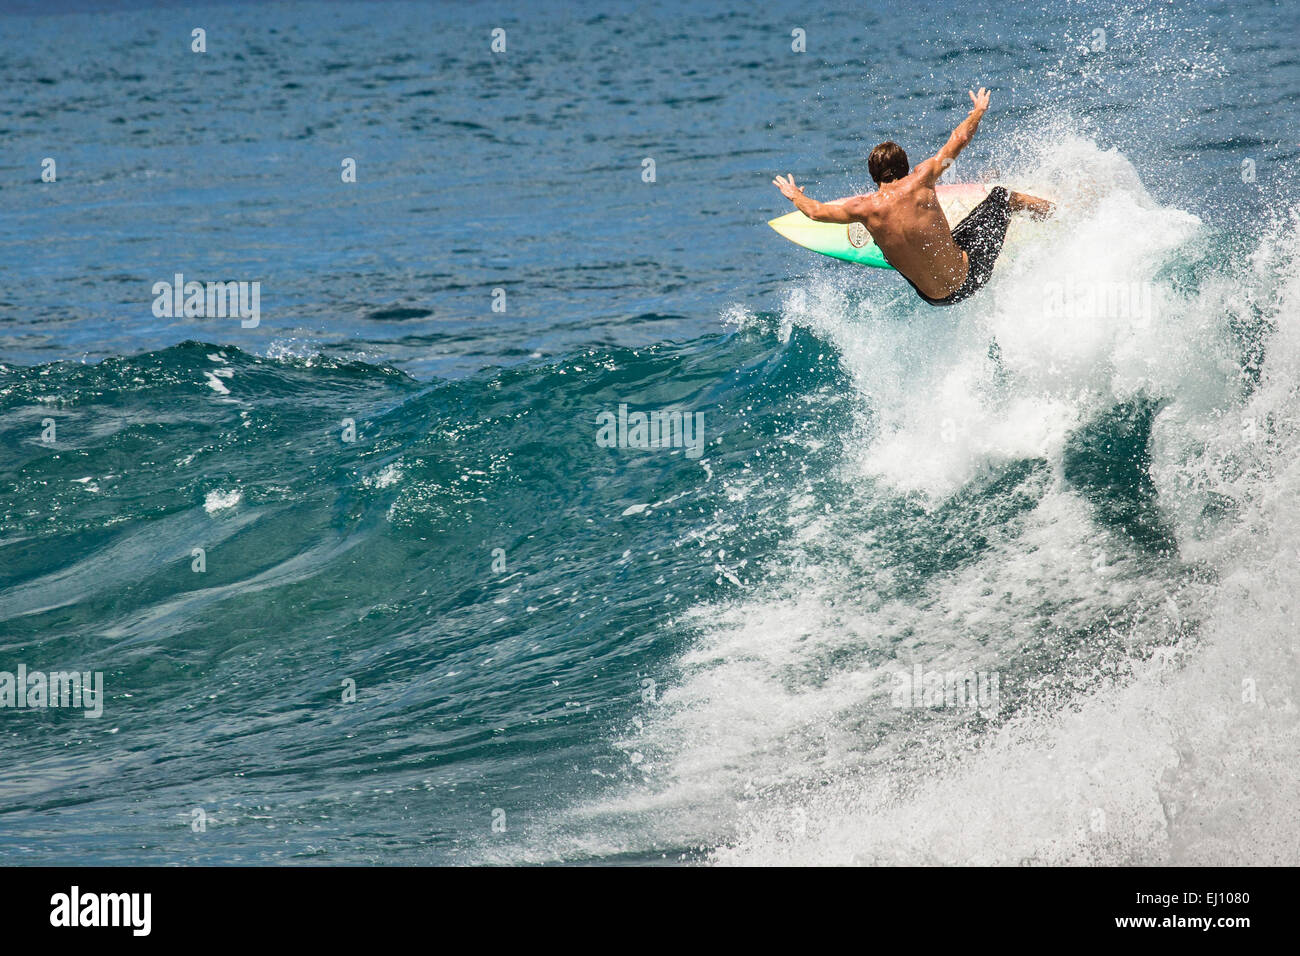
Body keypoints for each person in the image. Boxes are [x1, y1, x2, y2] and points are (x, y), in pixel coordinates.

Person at [772, 88, 1055, 306]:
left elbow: (816, 212)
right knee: (1002, 197)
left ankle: (895, 245)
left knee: (885, 238)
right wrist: (978, 111)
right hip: (970, 278)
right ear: (906, 167)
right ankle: (1057, 214)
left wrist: (794, 194)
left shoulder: (863, 208)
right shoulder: (922, 178)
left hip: (931, 297)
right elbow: (959, 140)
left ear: (874, 177)